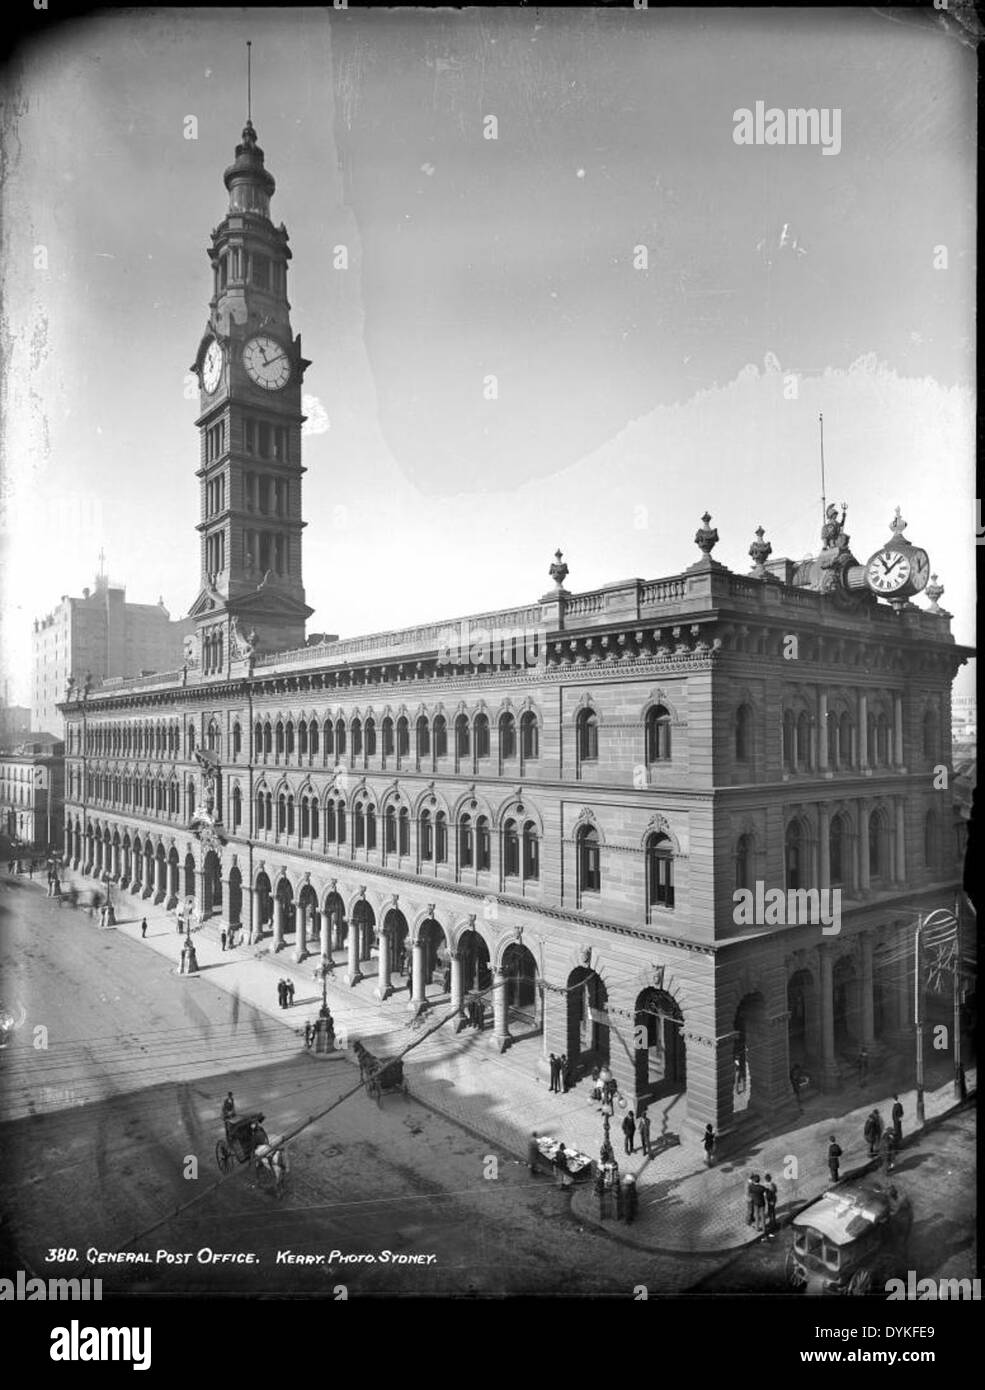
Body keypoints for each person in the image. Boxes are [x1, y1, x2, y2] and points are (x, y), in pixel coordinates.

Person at [763, 1173, 778, 1238]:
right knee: (771, 1210)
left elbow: (765, 1194)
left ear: (766, 1180)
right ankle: (772, 1221)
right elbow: (776, 1191)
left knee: (771, 1210)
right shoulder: (773, 1185)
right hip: (772, 1199)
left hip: (770, 1200)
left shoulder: (766, 1186)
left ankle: (772, 1222)